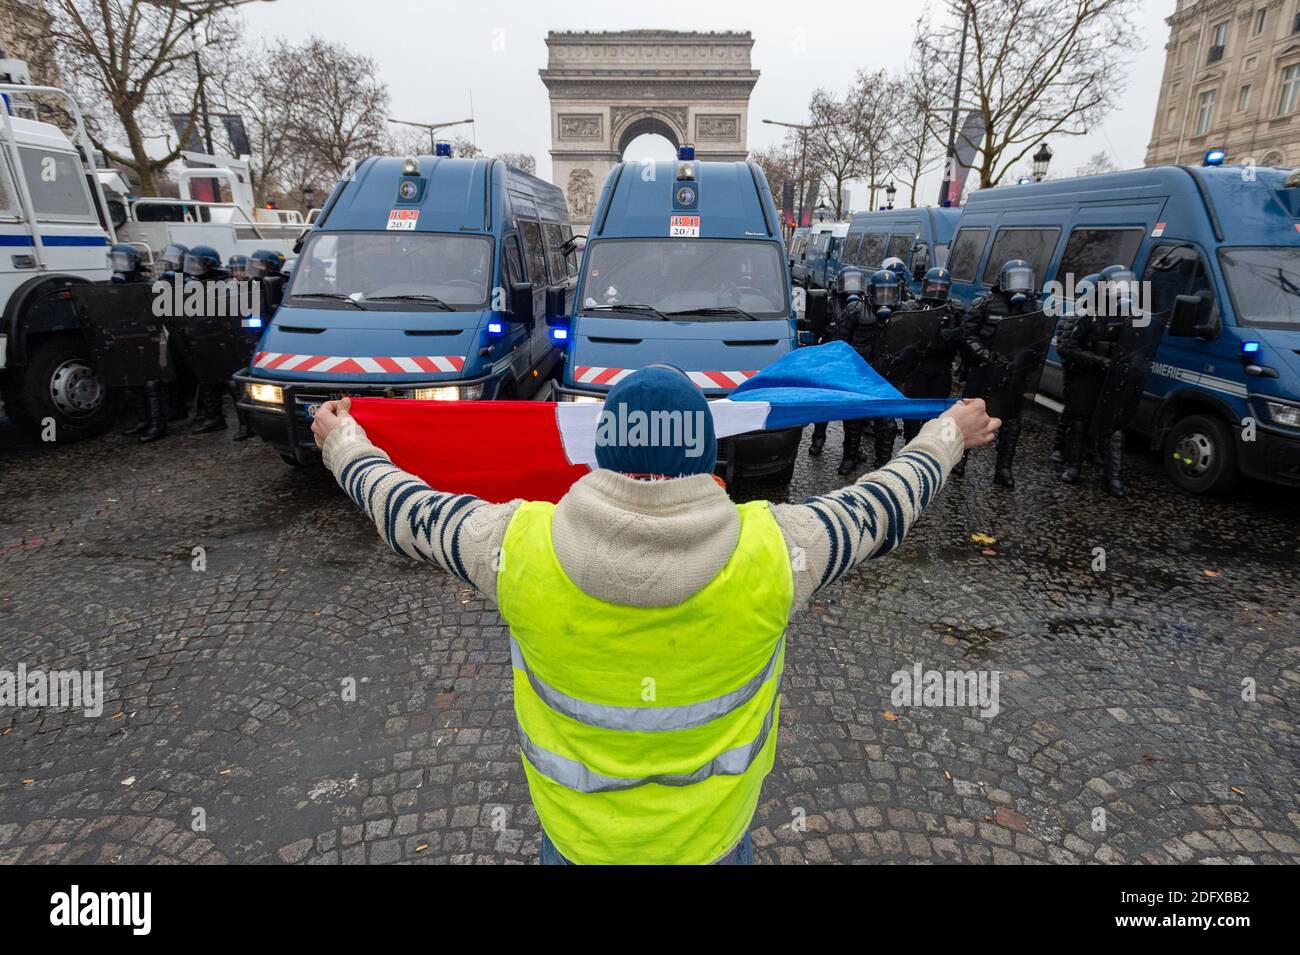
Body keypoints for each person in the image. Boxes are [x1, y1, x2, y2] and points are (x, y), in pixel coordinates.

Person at [310, 366, 999, 865]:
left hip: (577, 844)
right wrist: (948, 434)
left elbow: (405, 511)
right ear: (704, 455)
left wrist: (343, 443)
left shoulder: (515, 549)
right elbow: (882, 503)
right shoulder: (778, 551)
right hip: (712, 842)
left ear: (606, 449)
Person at [954, 258, 1042, 488]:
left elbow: (1039, 339)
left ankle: (1003, 468)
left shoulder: (1034, 307)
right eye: (1015, 279)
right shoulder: (984, 303)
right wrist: (982, 353)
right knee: (970, 415)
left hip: (1014, 375)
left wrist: (1026, 360)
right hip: (984, 371)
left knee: (1011, 422)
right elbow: (967, 333)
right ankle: (960, 460)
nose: (1020, 285)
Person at [1057, 265, 1135, 496]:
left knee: (1114, 427)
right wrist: (1097, 360)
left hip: (1111, 380)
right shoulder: (1087, 314)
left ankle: (1113, 478)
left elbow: (1136, 347)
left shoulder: (1129, 317)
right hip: (1086, 377)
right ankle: (1073, 467)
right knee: (1080, 421)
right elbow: (1067, 347)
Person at [836, 268, 902, 475]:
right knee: (853, 419)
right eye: (881, 293)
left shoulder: (903, 313)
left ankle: (883, 466)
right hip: (859, 374)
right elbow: (840, 341)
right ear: (872, 292)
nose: (885, 298)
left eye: (889, 293)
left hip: (885, 376)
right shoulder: (856, 309)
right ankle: (850, 457)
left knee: (887, 424)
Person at [110, 244, 169, 444]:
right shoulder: (117, 283)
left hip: (146, 335)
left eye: (122, 260)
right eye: (115, 260)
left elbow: (158, 309)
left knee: (151, 381)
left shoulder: (148, 282)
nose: (118, 264)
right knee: (132, 379)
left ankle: (157, 423)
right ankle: (142, 419)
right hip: (126, 336)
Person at [901, 267, 963, 445]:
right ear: (926, 285)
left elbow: (966, 334)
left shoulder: (954, 310)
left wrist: (953, 333)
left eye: (942, 287)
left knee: (936, 410)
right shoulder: (914, 307)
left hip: (942, 366)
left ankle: (927, 443)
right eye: (934, 286)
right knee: (914, 409)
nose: (937, 290)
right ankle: (910, 441)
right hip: (918, 366)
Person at [807, 266, 863, 458]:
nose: (851, 287)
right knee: (824, 403)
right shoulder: (829, 305)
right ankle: (818, 439)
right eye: (849, 282)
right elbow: (815, 331)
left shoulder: (863, 306)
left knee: (853, 407)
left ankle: (853, 447)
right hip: (828, 360)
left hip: (851, 362)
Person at [182, 245, 231, 434]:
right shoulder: (193, 284)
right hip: (204, 338)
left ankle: (246, 423)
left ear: (209, 264)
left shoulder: (227, 282)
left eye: (196, 263)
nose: (193, 267)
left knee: (232, 383)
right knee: (208, 378)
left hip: (224, 339)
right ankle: (214, 417)